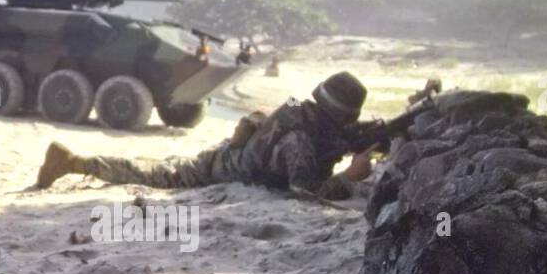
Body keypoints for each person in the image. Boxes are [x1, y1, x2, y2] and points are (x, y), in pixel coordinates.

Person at [35, 71, 382, 200]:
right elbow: (307, 190)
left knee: (162, 166)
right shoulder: (301, 140)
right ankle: (73, 162)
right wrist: (350, 176)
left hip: (228, 156)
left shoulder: (302, 113)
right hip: (218, 169)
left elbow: (259, 116)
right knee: (156, 174)